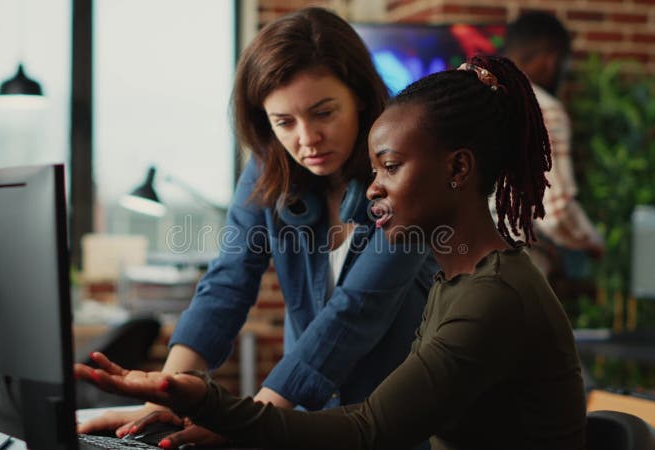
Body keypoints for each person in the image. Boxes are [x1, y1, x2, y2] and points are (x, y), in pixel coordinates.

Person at [76, 55, 587, 450]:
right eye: (283, 122)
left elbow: (369, 425)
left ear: (457, 169)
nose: (370, 189)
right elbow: (229, 279)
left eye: (389, 167)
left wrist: (210, 404)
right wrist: (185, 397)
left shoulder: (491, 297)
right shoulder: (454, 283)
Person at [78, 6, 436, 446]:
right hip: (307, 421)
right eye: (284, 122)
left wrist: (242, 423)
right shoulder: (270, 165)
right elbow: (228, 283)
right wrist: (163, 397)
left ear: (359, 96)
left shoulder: (407, 174)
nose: (306, 139)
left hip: (400, 426)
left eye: (323, 113)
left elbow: (356, 310)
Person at [501, 11, 604, 275]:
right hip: (513, 264)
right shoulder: (543, 109)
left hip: (452, 260)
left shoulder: (467, 98)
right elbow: (556, 210)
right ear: (551, 60)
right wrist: (592, 242)